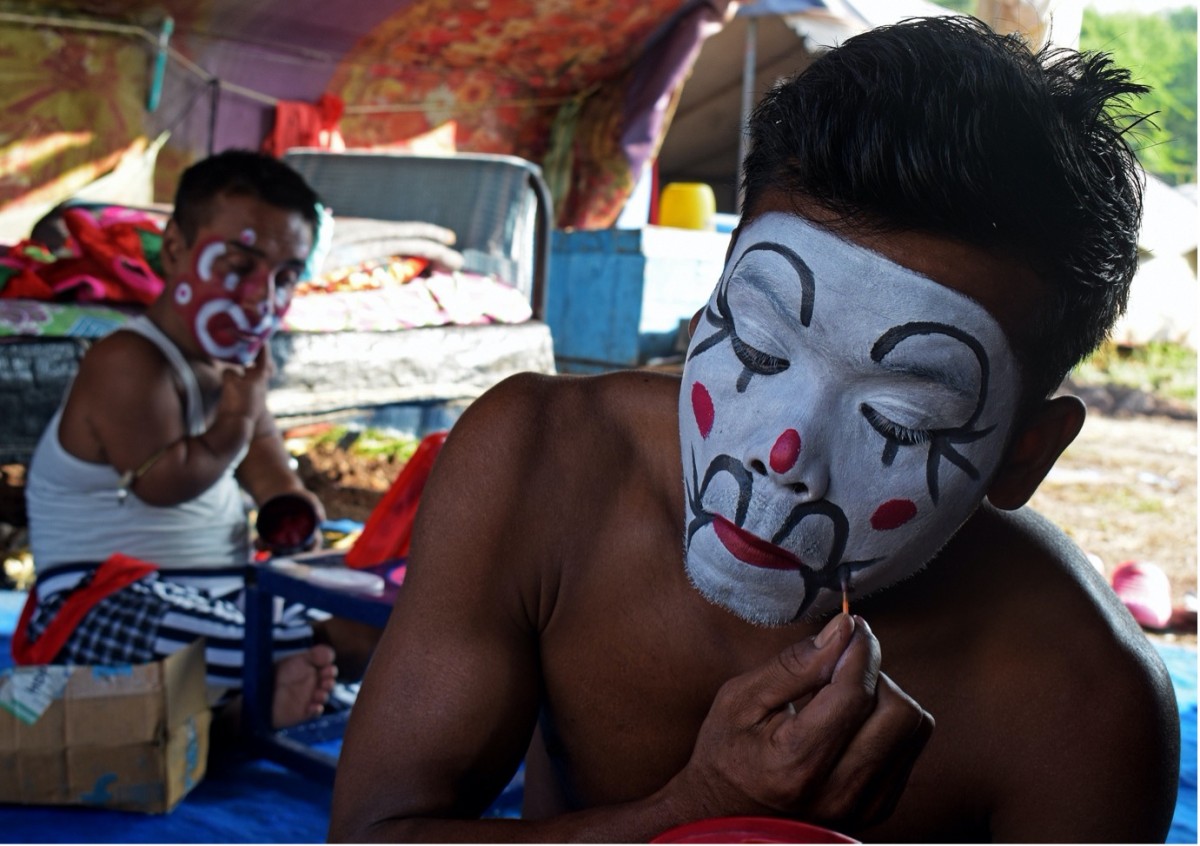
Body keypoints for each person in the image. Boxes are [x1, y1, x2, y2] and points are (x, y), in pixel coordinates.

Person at [328, 16, 1180, 843]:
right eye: (764, 348)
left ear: (1024, 455)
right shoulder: (542, 468)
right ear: (709, 312)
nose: (785, 457)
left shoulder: (1082, 701)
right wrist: (694, 811)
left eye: (898, 419)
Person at [19, 150, 373, 730]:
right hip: (101, 600)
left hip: (222, 593)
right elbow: (164, 483)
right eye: (239, 265)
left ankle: (263, 687)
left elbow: (270, 477)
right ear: (177, 248)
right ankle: (247, 710)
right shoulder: (130, 362)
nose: (262, 297)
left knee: (367, 622)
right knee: (267, 642)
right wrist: (237, 417)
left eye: (285, 278)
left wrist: (295, 518)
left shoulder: (234, 374)